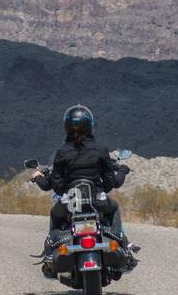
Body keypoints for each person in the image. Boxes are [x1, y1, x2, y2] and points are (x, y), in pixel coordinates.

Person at [30, 105, 135, 262]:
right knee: (113, 208)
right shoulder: (100, 150)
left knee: (55, 214)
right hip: (98, 202)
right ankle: (123, 244)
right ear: (90, 126)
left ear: (66, 127)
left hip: (70, 203)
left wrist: (38, 177)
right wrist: (123, 170)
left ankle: (50, 250)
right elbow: (112, 183)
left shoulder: (62, 152)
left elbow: (53, 186)